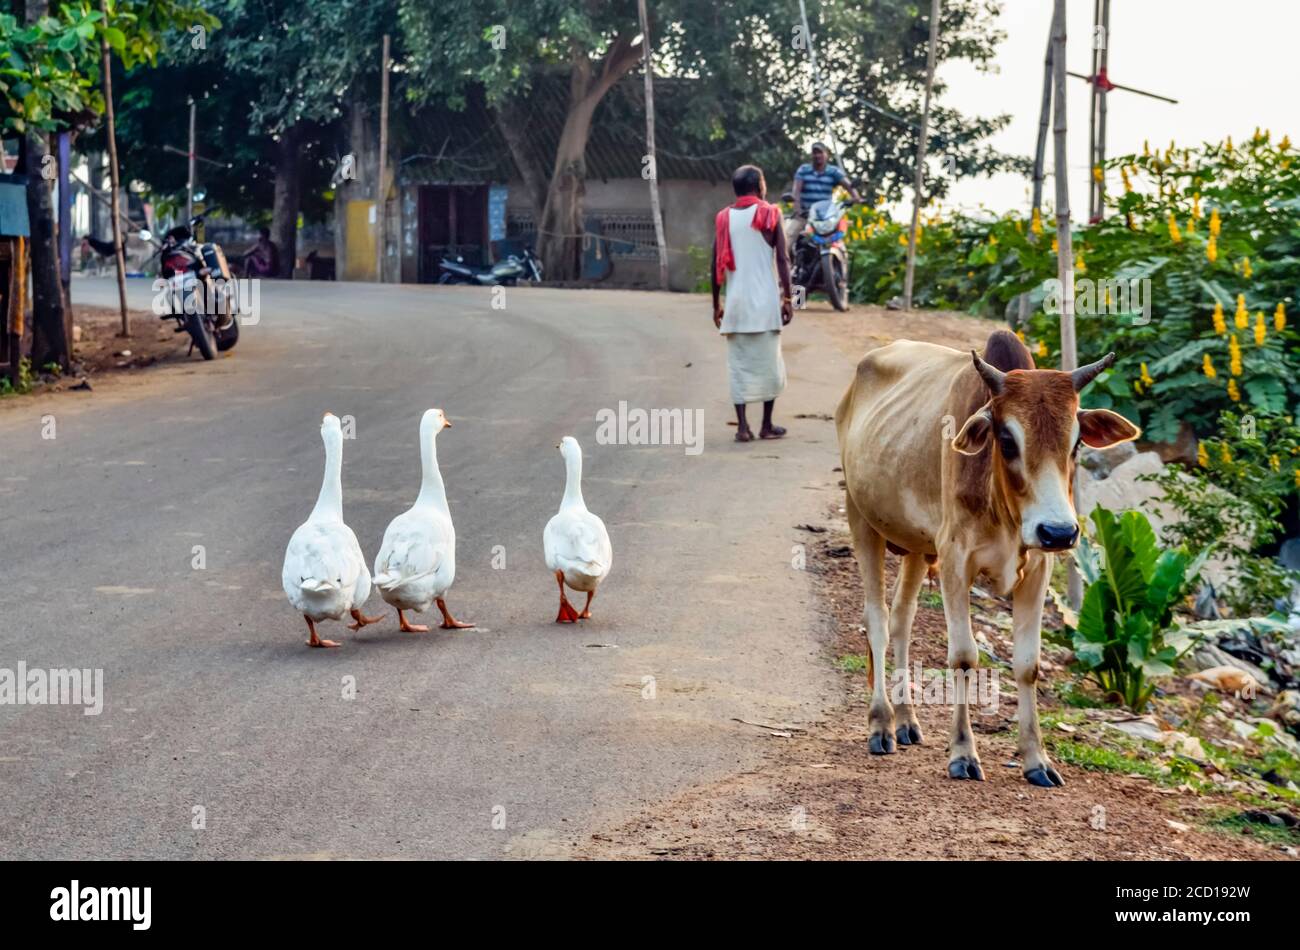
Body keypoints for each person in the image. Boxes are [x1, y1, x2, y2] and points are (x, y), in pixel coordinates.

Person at [711, 164, 794, 443]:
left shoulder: (723, 218)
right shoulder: (770, 214)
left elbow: (715, 265)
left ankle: (743, 427)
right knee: (769, 365)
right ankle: (767, 425)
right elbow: (782, 259)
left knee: (739, 366)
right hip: (765, 305)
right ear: (759, 186)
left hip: (735, 305)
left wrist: (716, 304)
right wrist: (788, 298)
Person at [784, 142, 862, 257]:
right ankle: (783, 268)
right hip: (805, 215)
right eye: (814, 153)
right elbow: (796, 192)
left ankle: (842, 267)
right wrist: (798, 210)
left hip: (826, 218)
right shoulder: (804, 170)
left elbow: (849, 186)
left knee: (841, 244)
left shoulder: (833, 172)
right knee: (788, 237)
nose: (817, 156)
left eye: (820, 152)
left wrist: (856, 198)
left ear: (827, 155)